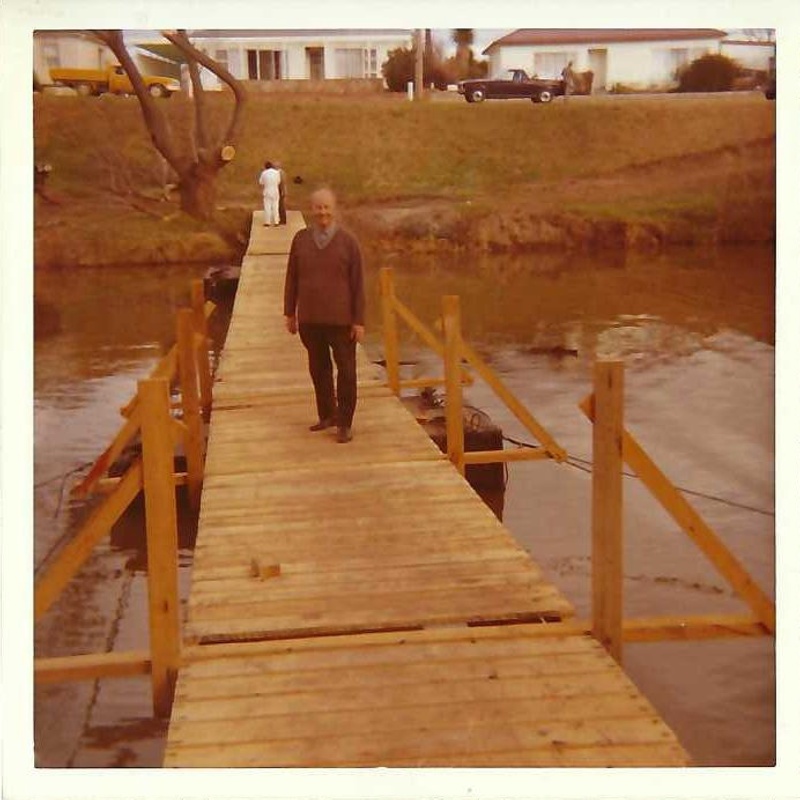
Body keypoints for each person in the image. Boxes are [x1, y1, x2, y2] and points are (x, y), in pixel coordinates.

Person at [283, 187, 365, 444]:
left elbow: (358, 284)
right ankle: (327, 415)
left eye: (327, 207)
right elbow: (291, 278)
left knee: (347, 373)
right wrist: (289, 313)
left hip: (341, 321)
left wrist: (359, 320)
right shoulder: (300, 239)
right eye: (318, 208)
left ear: (334, 209)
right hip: (310, 319)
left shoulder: (349, 242)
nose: (323, 213)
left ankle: (345, 423)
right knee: (319, 370)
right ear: (312, 209)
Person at [258, 160, 281, 226]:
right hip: (275, 191)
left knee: (267, 207)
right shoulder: (277, 173)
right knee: (276, 206)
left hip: (267, 191)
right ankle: (276, 221)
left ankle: (267, 222)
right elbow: (278, 181)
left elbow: (261, 182)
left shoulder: (264, 173)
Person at [275, 161, 287, 225]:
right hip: (281, 191)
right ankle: (282, 219)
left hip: (281, 191)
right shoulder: (281, 172)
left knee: (281, 206)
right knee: (280, 206)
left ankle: (283, 220)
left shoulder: (280, 173)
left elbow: (282, 183)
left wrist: (282, 192)